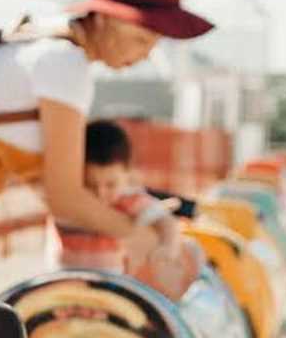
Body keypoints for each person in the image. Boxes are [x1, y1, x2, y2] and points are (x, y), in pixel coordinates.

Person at [0, 0, 214, 293]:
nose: (144, 55)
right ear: (103, 19)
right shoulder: (66, 65)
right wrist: (135, 234)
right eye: (142, 40)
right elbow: (65, 196)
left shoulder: (45, 42)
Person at [56, 120, 204, 300]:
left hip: (112, 286)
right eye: (90, 184)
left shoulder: (127, 200)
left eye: (111, 184)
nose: (101, 193)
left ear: (127, 175)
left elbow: (166, 222)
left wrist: (168, 247)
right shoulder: (66, 198)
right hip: (67, 284)